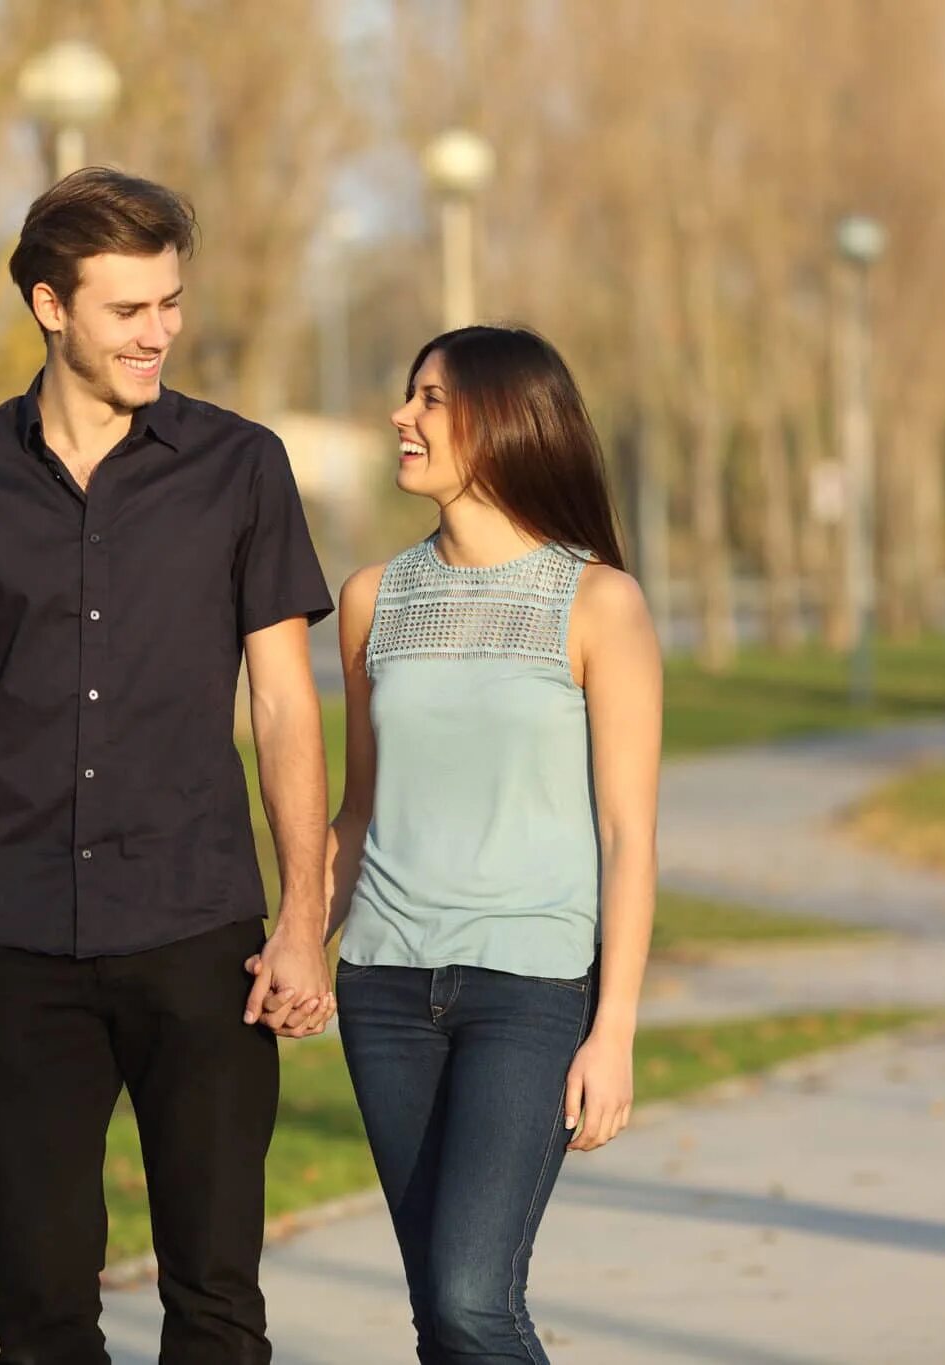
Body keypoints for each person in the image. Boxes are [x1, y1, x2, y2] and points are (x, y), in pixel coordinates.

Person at [0, 166, 338, 1364]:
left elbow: (283, 701)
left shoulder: (240, 467)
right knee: (38, 1310)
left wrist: (303, 916)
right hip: (16, 943)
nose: (159, 332)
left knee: (217, 1301)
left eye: (169, 303)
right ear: (48, 306)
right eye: (129, 310)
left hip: (201, 936)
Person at [319, 325, 663, 1363]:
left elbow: (627, 838)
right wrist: (298, 936)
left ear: (502, 421)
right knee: (440, 1312)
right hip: (382, 991)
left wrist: (613, 1033)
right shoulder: (372, 598)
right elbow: (356, 806)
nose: (401, 417)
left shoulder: (596, 601)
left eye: (430, 399)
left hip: (529, 990)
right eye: (406, 392)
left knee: (472, 1297)